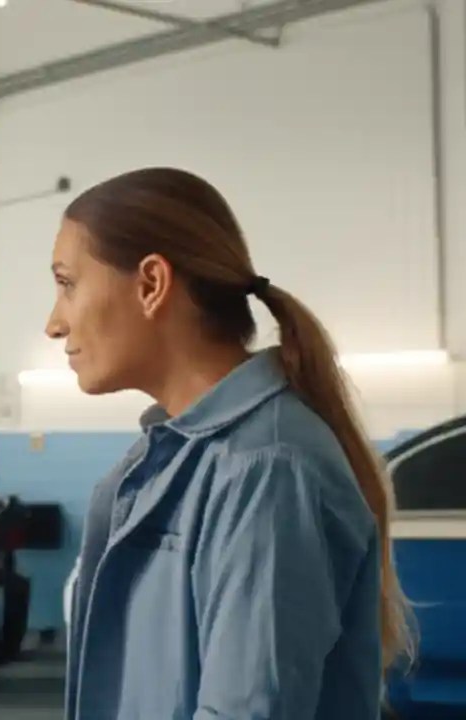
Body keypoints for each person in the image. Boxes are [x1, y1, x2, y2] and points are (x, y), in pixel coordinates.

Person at [48, 167, 415, 719]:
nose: (55, 322)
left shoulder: (267, 470)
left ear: (151, 284)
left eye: (67, 283)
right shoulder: (164, 461)